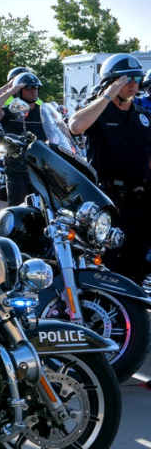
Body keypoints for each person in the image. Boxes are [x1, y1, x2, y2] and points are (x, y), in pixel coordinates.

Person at [67, 54, 151, 282]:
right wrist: (106, 96)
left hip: (141, 201)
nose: (134, 84)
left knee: (136, 264)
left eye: (137, 78)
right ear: (110, 82)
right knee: (107, 264)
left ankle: (132, 312)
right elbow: (75, 127)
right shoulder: (99, 111)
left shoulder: (143, 116)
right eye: (126, 79)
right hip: (110, 201)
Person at [0, 72, 45, 205]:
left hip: (40, 166)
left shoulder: (43, 111)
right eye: (28, 88)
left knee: (43, 206)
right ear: (19, 91)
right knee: (17, 206)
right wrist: (11, 90)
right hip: (17, 167)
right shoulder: (10, 111)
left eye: (36, 88)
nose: (33, 91)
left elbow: (59, 131)